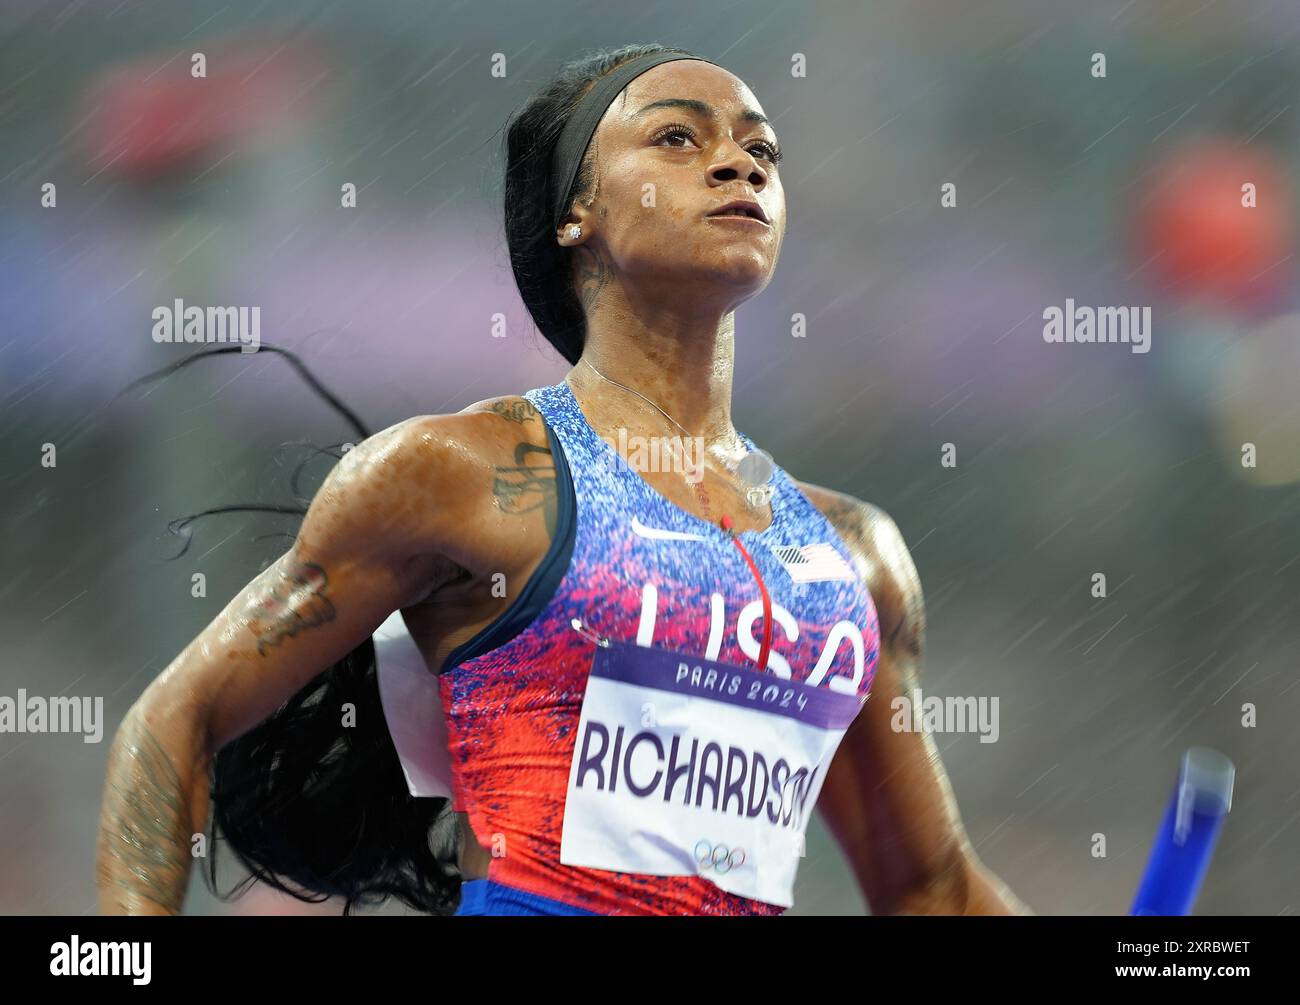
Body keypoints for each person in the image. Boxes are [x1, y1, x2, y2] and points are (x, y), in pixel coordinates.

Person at [96, 42, 1028, 917]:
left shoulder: (855, 560)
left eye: (763, 149)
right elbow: (172, 720)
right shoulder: (467, 474)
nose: (740, 164)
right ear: (574, 211)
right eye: (677, 136)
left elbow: (931, 884)